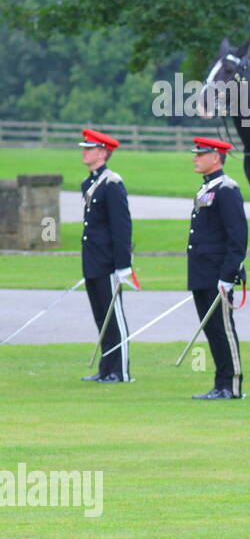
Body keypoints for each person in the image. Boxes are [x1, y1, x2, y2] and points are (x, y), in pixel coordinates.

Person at [187, 137, 248, 400]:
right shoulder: (206, 189)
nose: (195, 158)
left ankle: (231, 385)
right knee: (211, 330)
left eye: (201, 154)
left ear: (216, 157)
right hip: (202, 272)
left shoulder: (226, 189)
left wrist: (228, 275)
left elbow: (237, 236)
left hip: (218, 273)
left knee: (223, 330)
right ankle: (219, 383)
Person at [78, 129, 134, 384]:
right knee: (101, 317)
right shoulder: (89, 183)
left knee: (114, 317)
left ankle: (119, 370)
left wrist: (123, 265)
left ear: (102, 152)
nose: (84, 152)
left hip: (110, 262)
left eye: (89, 149)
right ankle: (106, 368)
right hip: (93, 261)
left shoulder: (111, 184)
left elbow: (122, 227)